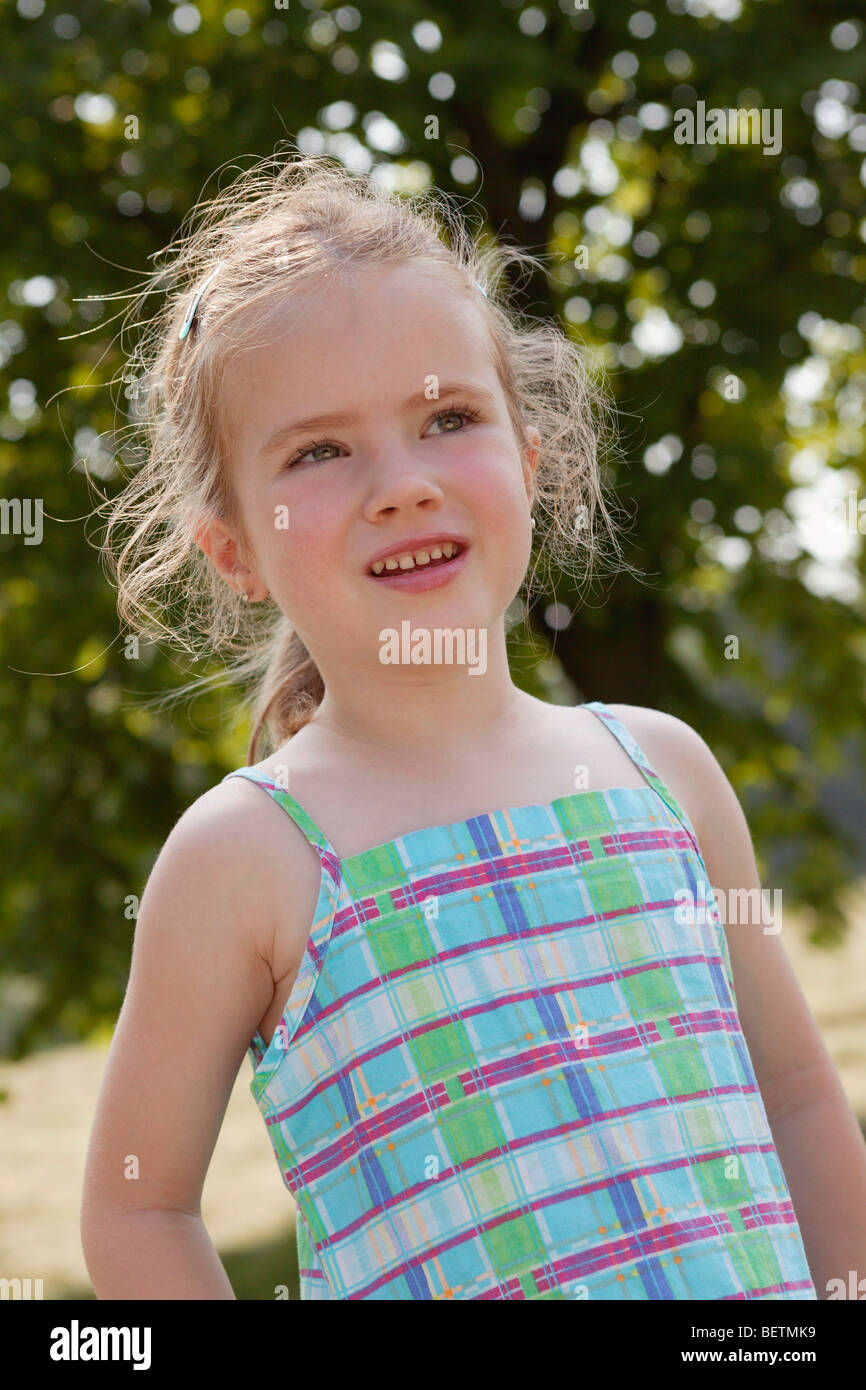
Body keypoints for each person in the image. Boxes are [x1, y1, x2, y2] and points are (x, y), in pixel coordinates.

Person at [81, 149, 863, 1301]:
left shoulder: (664, 772)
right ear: (234, 547)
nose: (400, 482)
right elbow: (134, 1205)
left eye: (446, 417)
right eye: (319, 451)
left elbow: (794, 1093)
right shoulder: (248, 854)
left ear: (531, 458)